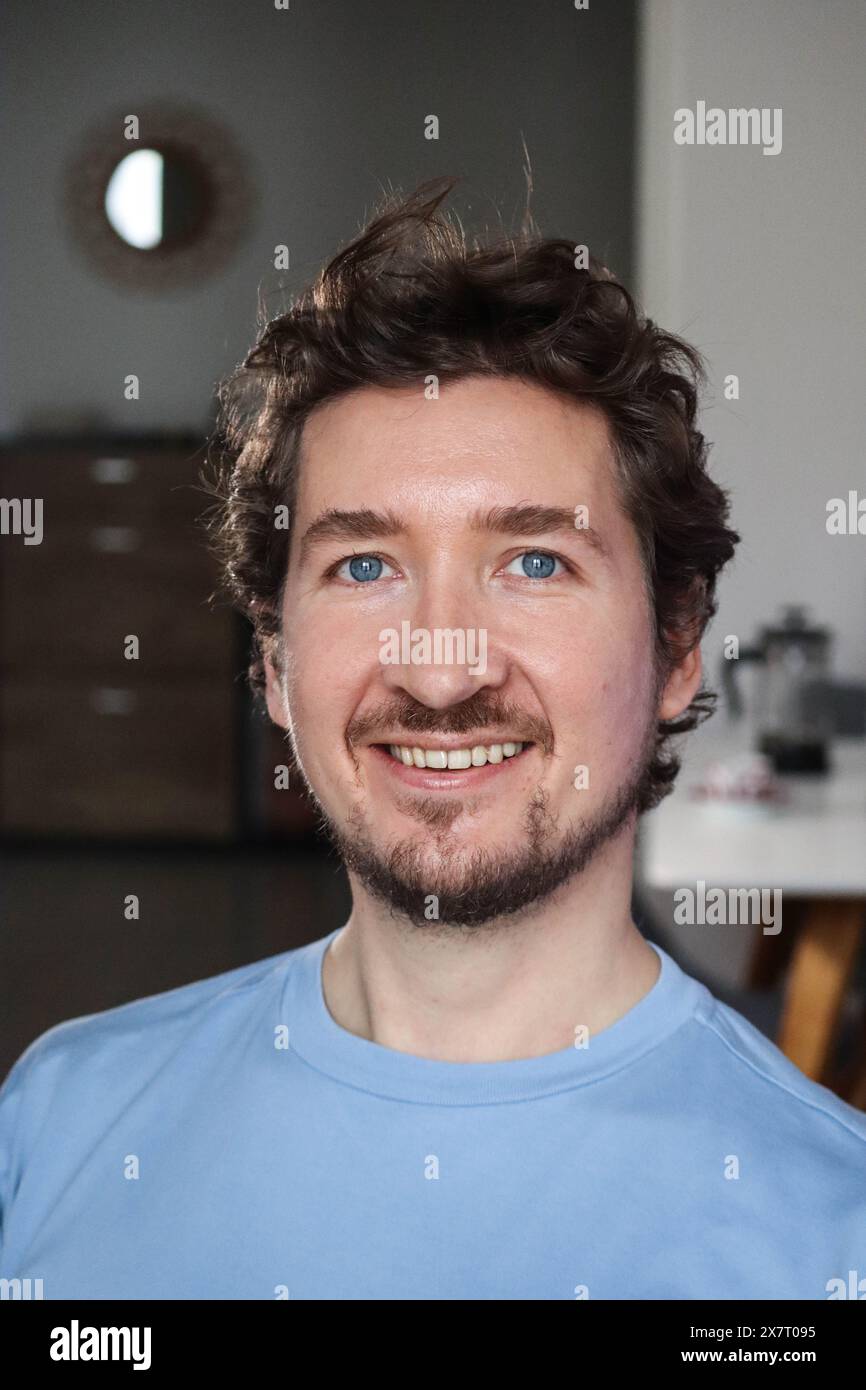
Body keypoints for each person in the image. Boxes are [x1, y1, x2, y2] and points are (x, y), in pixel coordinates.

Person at [2, 178, 864, 1300]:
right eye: (363, 565)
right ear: (272, 659)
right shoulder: (57, 1123)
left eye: (535, 562)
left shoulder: (826, 1235)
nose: (442, 666)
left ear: (677, 643)